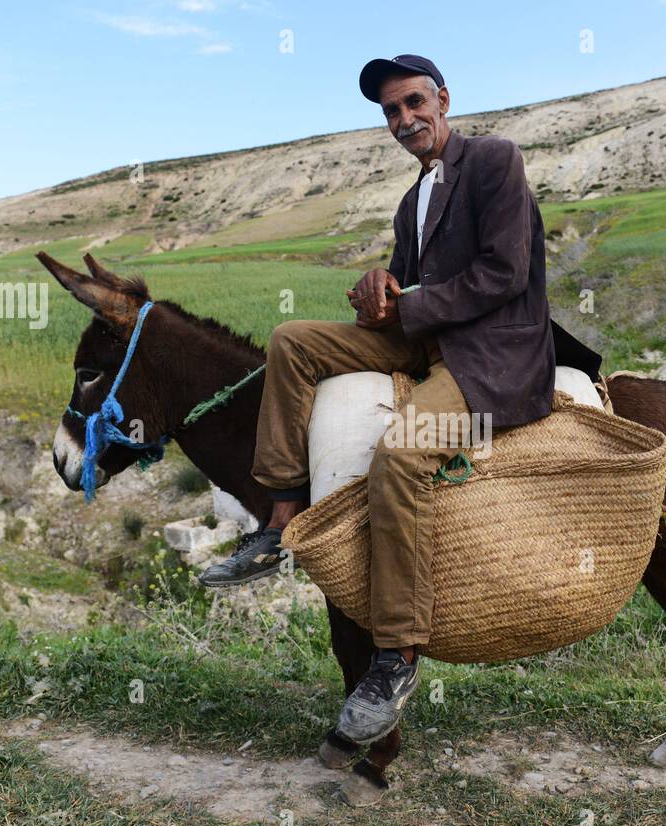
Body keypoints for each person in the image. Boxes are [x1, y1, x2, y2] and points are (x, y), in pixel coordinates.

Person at [200, 54, 601, 745]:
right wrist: (380, 288)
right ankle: (278, 521)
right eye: (391, 111)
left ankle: (398, 655)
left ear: (443, 99)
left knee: (403, 453)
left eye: (414, 102)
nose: (405, 119)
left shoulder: (495, 161)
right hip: (425, 341)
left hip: (492, 355)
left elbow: (505, 272)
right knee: (292, 341)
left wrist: (408, 302)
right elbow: (409, 291)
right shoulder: (411, 198)